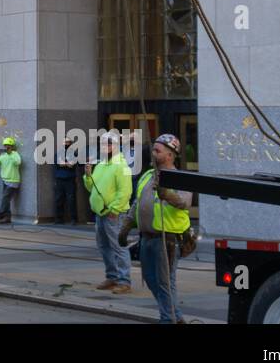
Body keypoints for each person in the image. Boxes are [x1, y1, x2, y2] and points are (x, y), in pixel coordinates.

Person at [120, 134, 193, 324]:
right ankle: (175, 317)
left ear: (170, 155)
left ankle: (168, 319)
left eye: (157, 151)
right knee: (151, 280)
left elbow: (184, 203)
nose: (153, 153)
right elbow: (137, 204)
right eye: (153, 150)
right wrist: (126, 227)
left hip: (167, 239)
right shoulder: (147, 175)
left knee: (165, 282)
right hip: (147, 238)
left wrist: (167, 194)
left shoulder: (181, 178)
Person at [84, 132, 132, 293]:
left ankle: (124, 281)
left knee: (118, 247)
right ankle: (112, 277)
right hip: (101, 213)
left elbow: (125, 191)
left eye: (109, 144)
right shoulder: (101, 164)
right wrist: (88, 176)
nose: (105, 147)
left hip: (114, 214)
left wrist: (115, 209)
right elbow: (91, 188)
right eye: (103, 144)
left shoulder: (122, 166)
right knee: (104, 246)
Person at [0, 137, 22, 224]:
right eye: (5, 146)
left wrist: (10, 155)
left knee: (5, 198)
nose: (6, 147)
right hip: (4, 180)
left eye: (8, 146)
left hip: (13, 180)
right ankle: (7, 217)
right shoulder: (3, 155)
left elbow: (18, 162)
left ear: (12, 147)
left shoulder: (15, 154)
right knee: (6, 200)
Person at [54, 135, 80, 224]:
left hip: (70, 179)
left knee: (71, 199)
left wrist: (64, 163)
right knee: (58, 199)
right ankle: (59, 219)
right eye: (65, 142)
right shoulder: (58, 153)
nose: (66, 144)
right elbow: (59, 164)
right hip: (59, 179)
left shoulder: (74, 153)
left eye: (68, 142)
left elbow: (72, 165)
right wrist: (67, 163)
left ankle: (73, 219)